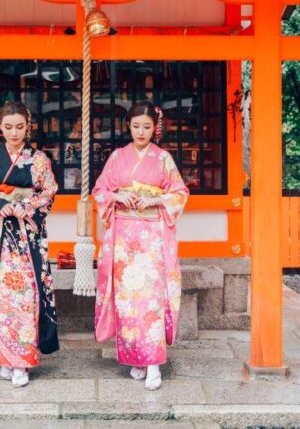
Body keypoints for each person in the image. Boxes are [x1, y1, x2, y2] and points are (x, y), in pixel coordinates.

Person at [92, 101, 189, 390]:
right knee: (127, 302)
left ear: (154, 128)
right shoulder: (118, 157)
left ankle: (154, 363)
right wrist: (118, 197)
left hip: (151, 241)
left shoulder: (163, 159)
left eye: (147, 126)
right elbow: (100, 190)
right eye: (136, 126)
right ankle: (135, 359)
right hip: (123, 239)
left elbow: (180, 192)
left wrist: (157, 200)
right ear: (129, 126)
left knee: (150, 301)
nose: (141, 131)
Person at [0, 101, 58, 387]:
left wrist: (26, 205)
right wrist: (0, 205)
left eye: (20, 127)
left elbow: (49, 190)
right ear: (0, 127)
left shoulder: (39, 159)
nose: (14, 133)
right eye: (8, 127)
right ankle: (2, 357)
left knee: (25, 297)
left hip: (25, 239)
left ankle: (22, 361)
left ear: (27, 126)